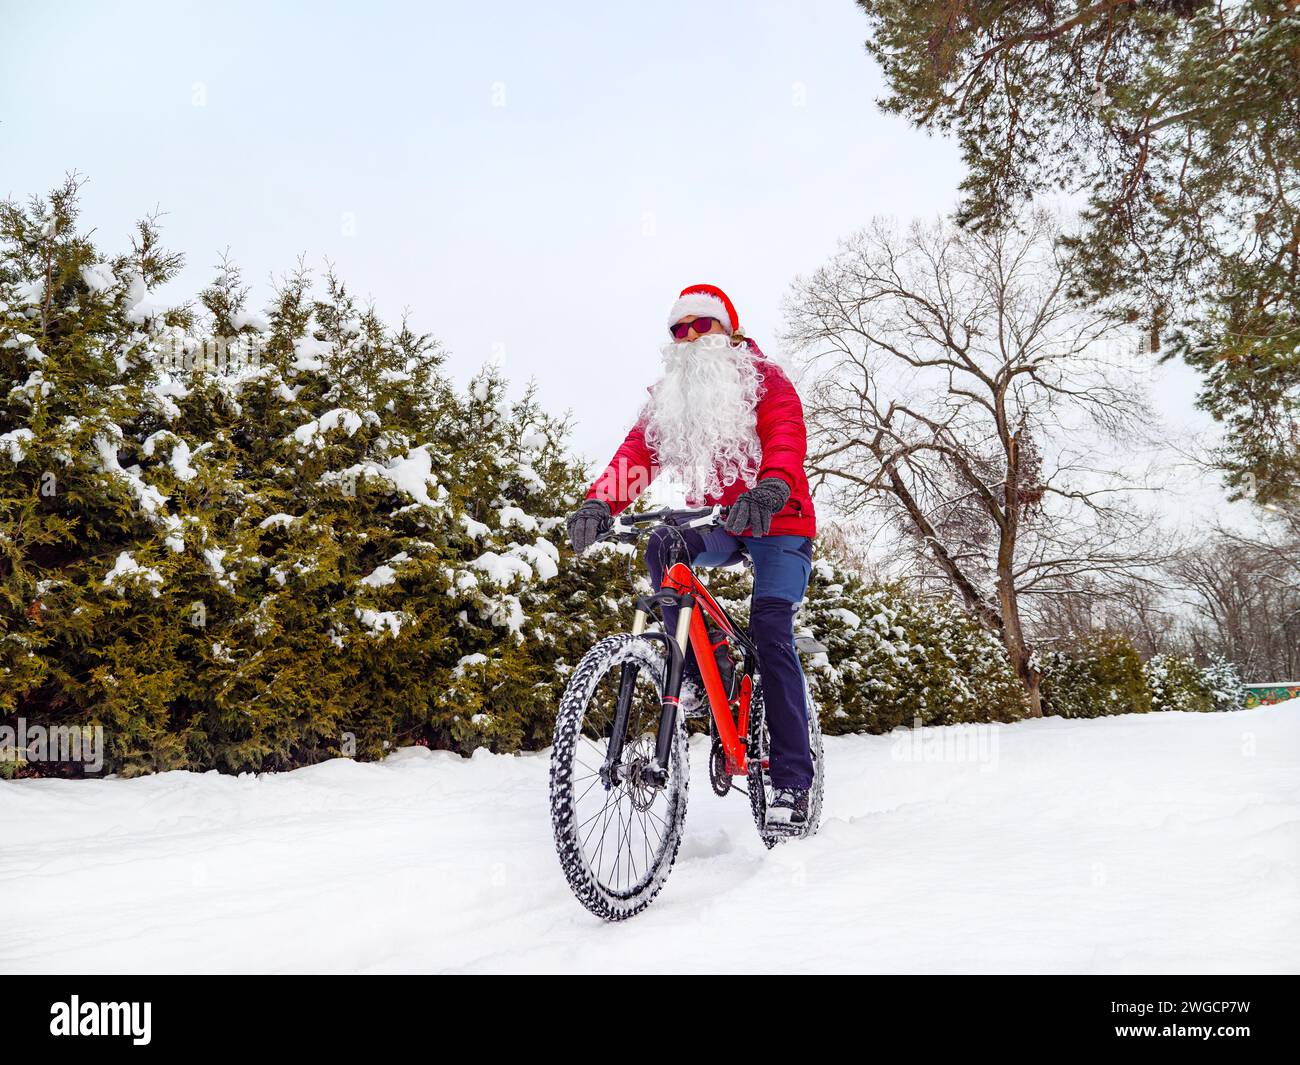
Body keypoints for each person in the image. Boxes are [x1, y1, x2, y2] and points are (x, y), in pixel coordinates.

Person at [565, 283, 818, 827]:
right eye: (679, 330)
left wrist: (771, 486)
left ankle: (793, 782)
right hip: (721, 522)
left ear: (729, 332)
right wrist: (598, 504)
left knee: (772, 630)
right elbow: (637, 453)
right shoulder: (669, 399)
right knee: (665, 542)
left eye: (702, 326)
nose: (689, 338)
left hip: (780, 520)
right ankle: (708, 670)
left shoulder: (764, 380)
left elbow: (785, 438)